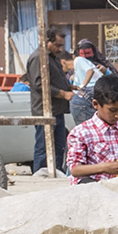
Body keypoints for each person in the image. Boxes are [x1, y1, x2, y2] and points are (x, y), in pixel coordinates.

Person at [65, 74, 118, 184]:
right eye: (113, 110)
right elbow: (75, 169)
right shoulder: (81, 133)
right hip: (95, 188)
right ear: (96, 104)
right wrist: (104, 167)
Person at [25, 27, 75, 173]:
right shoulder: (38, 58)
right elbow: (39, 84)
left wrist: (70, 87)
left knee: (59, 146)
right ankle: (40, 176)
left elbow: (55, 80)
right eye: (57, 45)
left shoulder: (52, 59)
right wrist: (63, 94)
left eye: (61, 46)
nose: (60, 49)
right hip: (44, 111)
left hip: (57, 110)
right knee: (43, 147)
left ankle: (56, 173)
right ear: (47, 42)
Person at [71, 40, 116, 126]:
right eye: (82, 53)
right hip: (83, 98)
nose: (85, 56)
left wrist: (106, 71)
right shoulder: (78, 62)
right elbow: (72, 82)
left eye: (88, 53)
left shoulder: (102, 63)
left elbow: (114, 79)